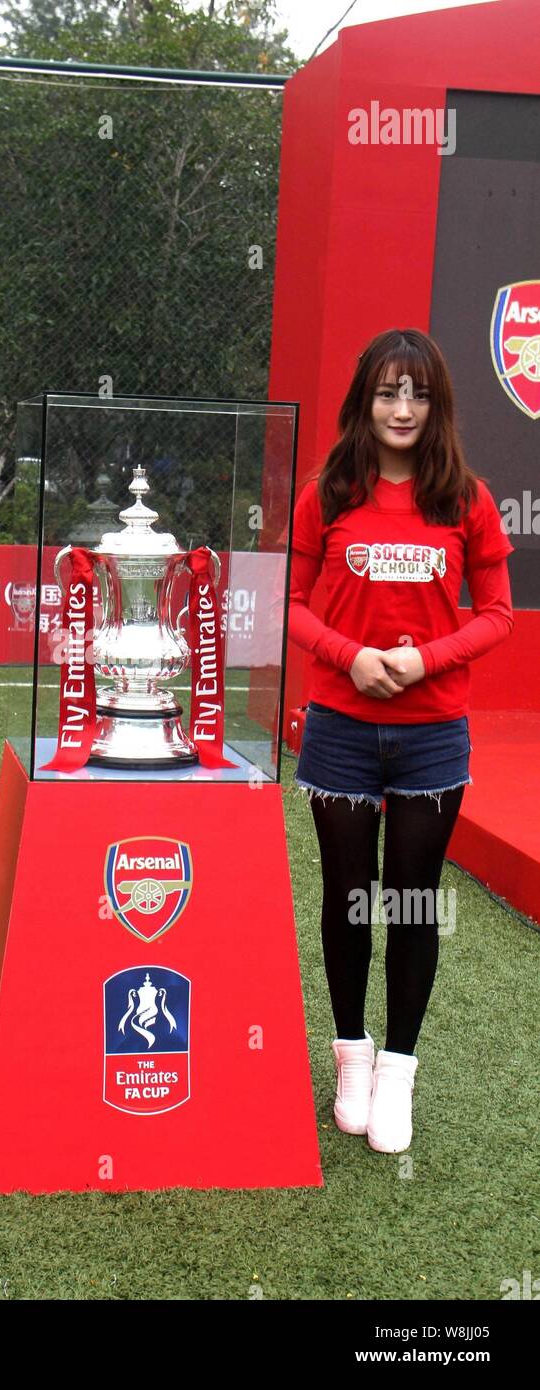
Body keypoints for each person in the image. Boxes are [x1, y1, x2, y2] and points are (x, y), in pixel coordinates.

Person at [288, 328, 514, 1154]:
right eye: (388, 392)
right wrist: (354, 658)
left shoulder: (466, 498)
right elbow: (295, 603)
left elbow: (495, 613)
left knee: (412, 901)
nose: (403, 408)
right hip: (342, 731)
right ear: (365, 402)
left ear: (437, 405)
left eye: (417, 393)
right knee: (349, 898)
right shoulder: (331, 493)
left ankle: (399, 1073)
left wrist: (423, 659)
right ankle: (351, 1054)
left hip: (430, 738)